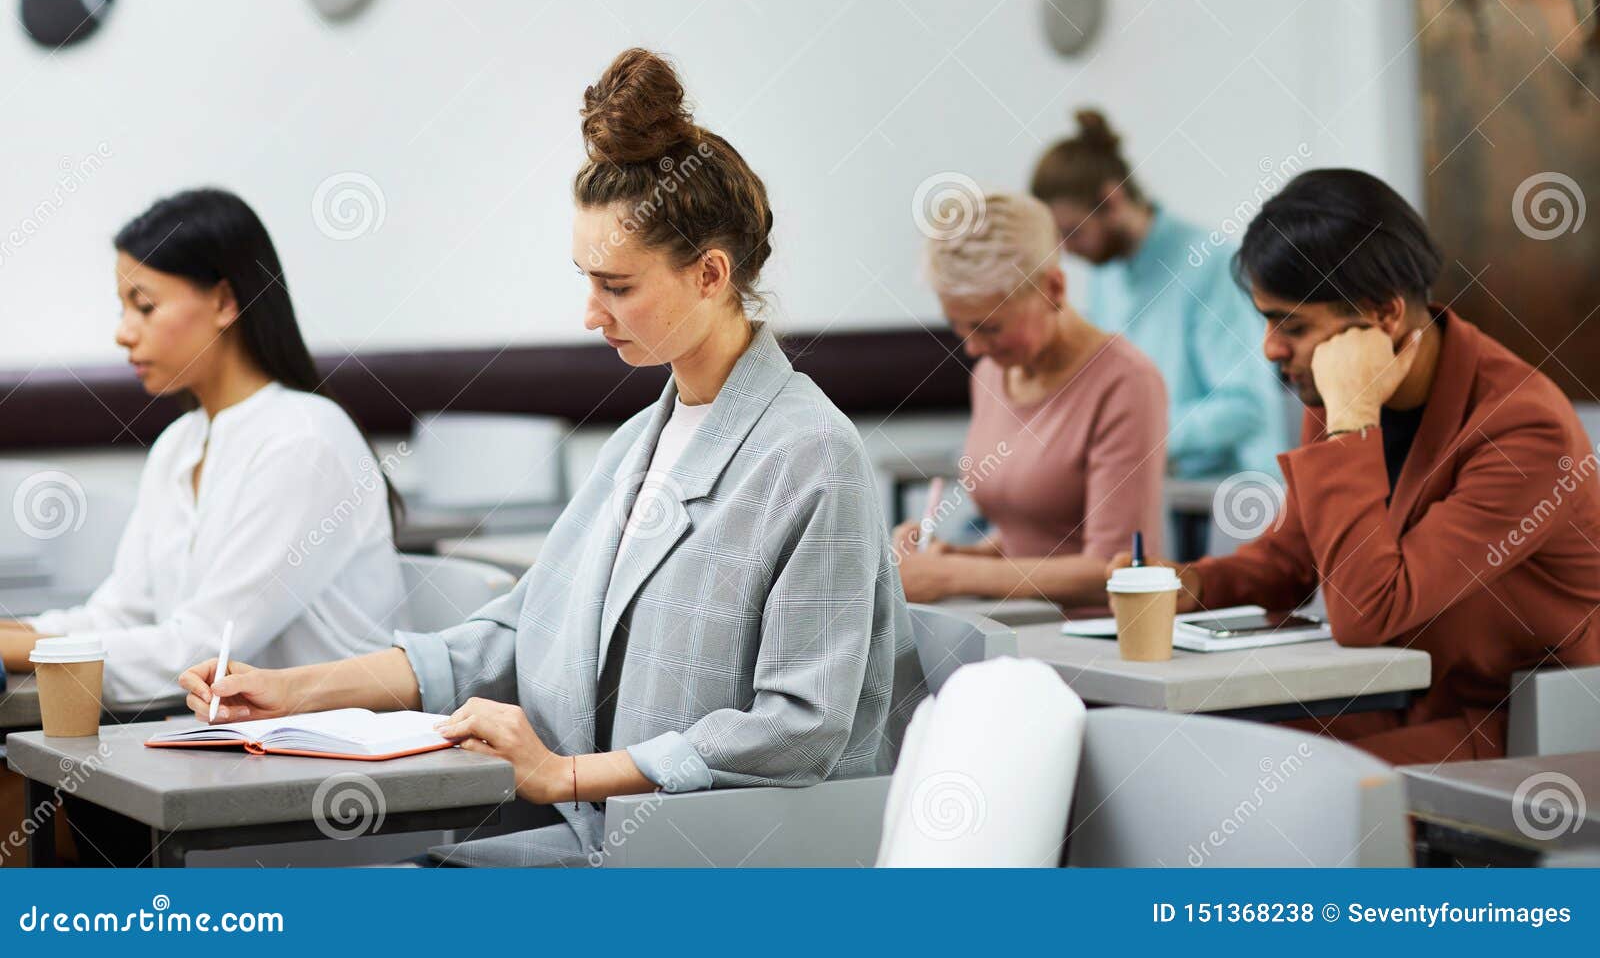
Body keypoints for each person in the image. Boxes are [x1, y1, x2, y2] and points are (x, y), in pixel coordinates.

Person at [177, 49, 925, 867]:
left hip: (710, 861)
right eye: (585, 279)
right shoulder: (637, 444)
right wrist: (289, 691)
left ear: (711, 274)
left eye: (617, 285)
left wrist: (565, 773)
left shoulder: (813, 455)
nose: (590, 313)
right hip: (600, 839)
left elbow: (799, 726)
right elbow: (516, 632)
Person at [1118, 169, 1600, 764]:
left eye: (1292, 325)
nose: (1270, 347)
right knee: (1177, 747)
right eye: (1266, 320)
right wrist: (1186, 585)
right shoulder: (1342, 392)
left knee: (1265, 776)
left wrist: (1350, 423)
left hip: (1512, 726)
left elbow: (1371, 613)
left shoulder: (1524, 431)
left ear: (1384, 316)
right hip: (1399, 697)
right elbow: (1295, 558)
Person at [0, 188, 406, 703]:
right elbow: (123, 613)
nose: (123, 333)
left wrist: (13, 649)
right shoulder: (180, 443)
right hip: (227, 738)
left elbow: (196, 650)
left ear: (224, 301)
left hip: (335, 750)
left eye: (144, 306)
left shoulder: (303, 441)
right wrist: (16, 633)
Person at [893, 192, 1166, 613]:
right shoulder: (992, 373)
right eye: (960, 326)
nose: (973, 347)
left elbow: (1115, 568)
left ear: (1054, 288)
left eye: (990, 327)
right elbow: (1036, 535)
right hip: (1018, 627)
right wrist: (956, 558)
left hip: (1094, 641)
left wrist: (950, 576)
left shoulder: (1127, 383)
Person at [1032, 110, 1288, 557]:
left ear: (1111, 200)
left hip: (1231, 507)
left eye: (1073, 232)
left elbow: (1246, 408)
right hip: (1162, 493)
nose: (1068, 251)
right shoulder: (1107, 275)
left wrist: (1135, 433)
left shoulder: (1209, 264)